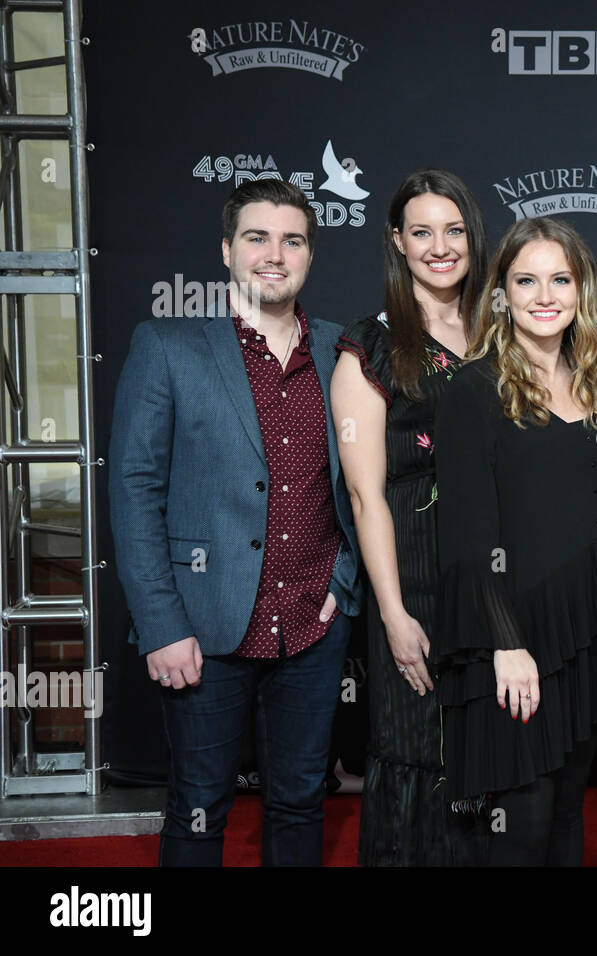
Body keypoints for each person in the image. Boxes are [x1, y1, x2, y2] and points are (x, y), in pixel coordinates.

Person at [109, 179, 361, 866]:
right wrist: (162, 626)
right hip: (201, 628)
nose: (274, 254)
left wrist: (344, 582)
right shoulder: (167, 345)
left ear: (310, 254)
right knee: (197, 808)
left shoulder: (345, 352)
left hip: (313, 625)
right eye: (257, 237)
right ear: (227, 249)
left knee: (302, 801)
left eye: (292, 239)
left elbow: (369, 486)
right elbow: (133, 490)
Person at [432, 216, 597, 866]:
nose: (544, 295)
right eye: (527, 280)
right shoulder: (473, 390)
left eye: (560, 279)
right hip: (515, 640)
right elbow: (467, 532)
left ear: (582, 290)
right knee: (518, 824)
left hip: (585, 635)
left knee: (566, 816)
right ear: (501, 293)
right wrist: (506, 645)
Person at [332, 169, 488, 865]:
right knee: (415, 753)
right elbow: (365, 496)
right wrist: (393, 615)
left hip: (497, 587)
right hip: (414, 589)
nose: (440, 246)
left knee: (489, 756)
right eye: (421, 232)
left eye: (453, 230)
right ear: (397, 241)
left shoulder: (506, 334)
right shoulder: (368, 346)